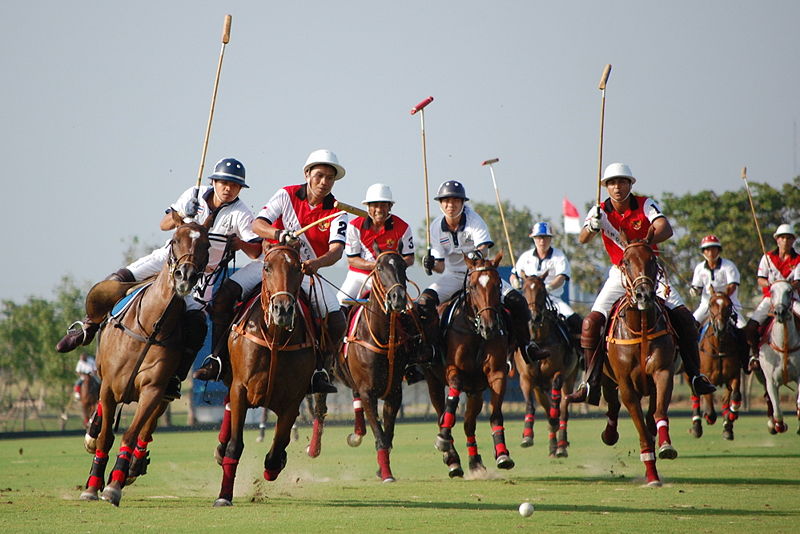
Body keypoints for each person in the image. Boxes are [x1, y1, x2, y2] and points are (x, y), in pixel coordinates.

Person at [56, 158, 262, 399]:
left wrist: (239, 243)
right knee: (117, 279)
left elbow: (256, 251)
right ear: (214, 182)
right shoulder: (193, 194)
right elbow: (164, 224)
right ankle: (87, 326)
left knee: (196, 324)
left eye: (235, 185)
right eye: (224, 182)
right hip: (168, 260)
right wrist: (181, 214)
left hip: (203, 275)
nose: (228, 188)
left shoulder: (242, 213)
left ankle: (175, 378)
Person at [193, 149, 347, 394]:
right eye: (319, 175)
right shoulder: (286, 195)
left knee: (337, 319)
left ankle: (320, 369)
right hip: (269, 264)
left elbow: (337, 250)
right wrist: (278, 235)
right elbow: (258, 224)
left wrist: (316, 264)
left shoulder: (339, 210)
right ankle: (217, 359)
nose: (324, 182)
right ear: (307, 174)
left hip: (305, 272)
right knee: (223, 296)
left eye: (330, 178)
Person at [567, 162, 716, 406]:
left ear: (630, 184)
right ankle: (589, 382)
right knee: (590, 323)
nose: (617, 187)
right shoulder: (600, 210)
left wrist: (643, 244)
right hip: (620, 274)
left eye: (622, 182)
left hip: (649, 271)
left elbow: (664, 228)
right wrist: (592, 225)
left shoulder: (645, 204)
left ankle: (696, 375)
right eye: (612, 183)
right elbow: (583, 238)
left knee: (686, 319)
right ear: (606, 187)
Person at [417, 180, 548, 363]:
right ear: (440, 204)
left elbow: (485, 248)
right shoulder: (436, 226)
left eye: (455, 201)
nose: (450, 205)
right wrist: (430, 264)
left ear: (463, 203)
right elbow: (440, 267)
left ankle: (527, 346)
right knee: (423, 303)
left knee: (518, 302)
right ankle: (429, 348)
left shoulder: (474, 220)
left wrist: (475, 254)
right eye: (446, 201)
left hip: (479, 275)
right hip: (453, 276)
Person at [335, 183, 422, 382]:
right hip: (360, 276)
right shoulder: (355, 226)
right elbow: (352, 259)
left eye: (383, 205)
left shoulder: (402, 227)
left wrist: (391, 265)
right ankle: (335, 353)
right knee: (337, 307)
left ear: (390, 207)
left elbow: (409, 258)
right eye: (374, 205)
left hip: (391, 279)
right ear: (368, 207)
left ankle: (412, 362)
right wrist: (376, 265)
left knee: (411, 312)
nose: (379, 210)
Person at [510, 221, 582, 348]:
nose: (542, 241)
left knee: (575, 321)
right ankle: (509, 357)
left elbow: (561, 277)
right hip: (528, 300)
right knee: (508, 321)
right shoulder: (525, 257)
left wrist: (549, 287)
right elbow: (514, 274)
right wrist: (515, 282)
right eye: (539, 238)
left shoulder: (558, 256)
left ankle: (580, 355)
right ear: (534, 239)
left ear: (550, 239)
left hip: (552, 298)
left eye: (545, 238)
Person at [743, 223, 800, 367]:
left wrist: (784, 287)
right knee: (751, 326)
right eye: (782, 238)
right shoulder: (767, 258)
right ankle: (755, 355)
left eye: (789, 238)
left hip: (791, 299)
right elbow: (760, 279)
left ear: (793, 240)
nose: (785, 241)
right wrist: (771, 285)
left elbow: (798, 282)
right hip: (770, 299)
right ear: (777, 240)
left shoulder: (798, 260)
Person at [690, 235, 746, 328]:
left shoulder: (728, 266)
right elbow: (697, 288)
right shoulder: (699, 268)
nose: (710, 253)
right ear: (703, 252)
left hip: (729, 304)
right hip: (706, 305)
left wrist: (719, 296)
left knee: (743, 328)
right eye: (707, 249)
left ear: (718, 250)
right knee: (691, 326)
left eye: (713, 249)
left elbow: (732, 286)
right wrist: (695, 291)